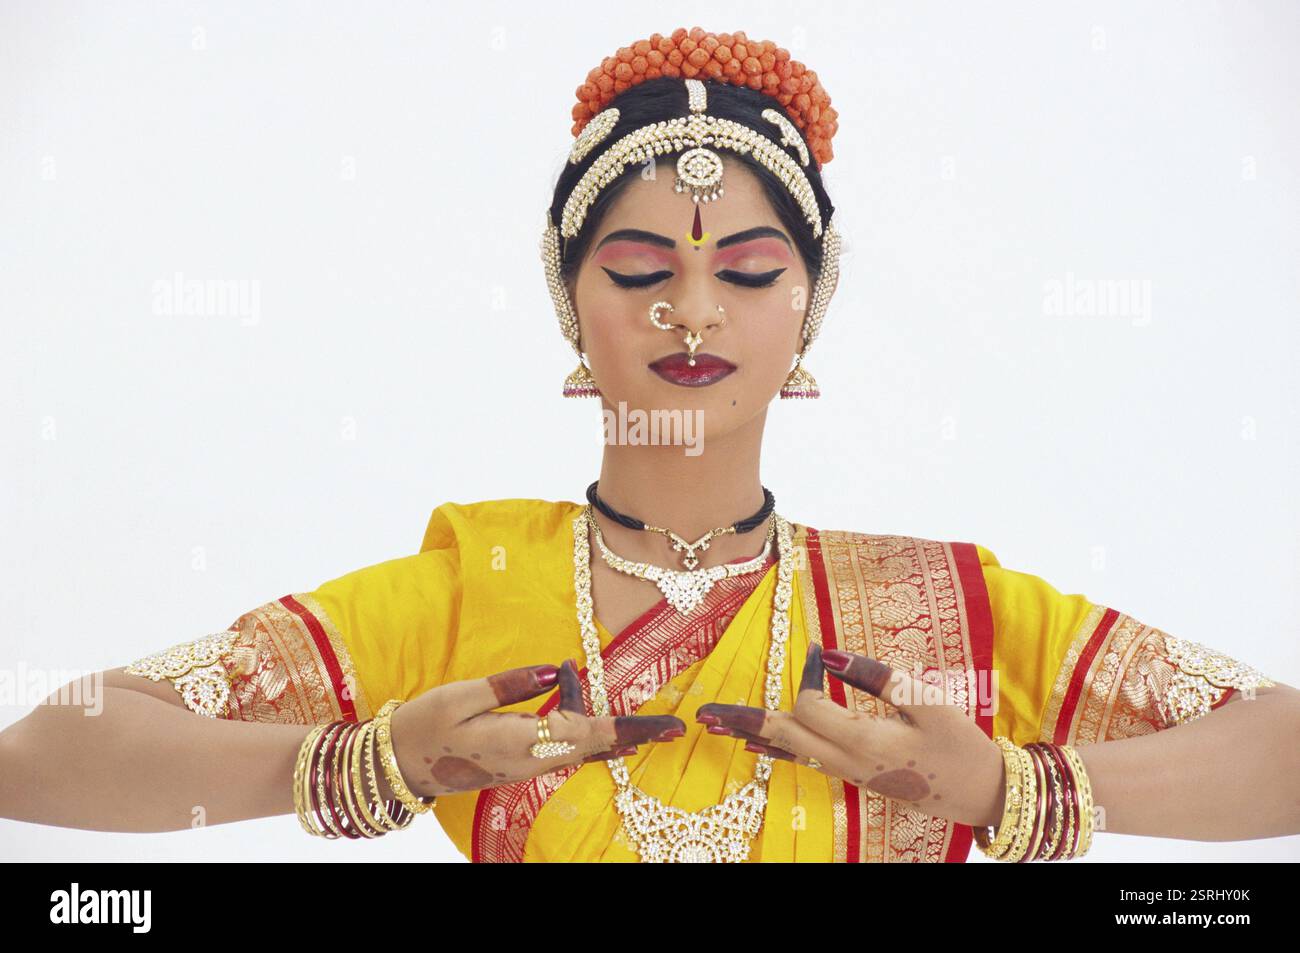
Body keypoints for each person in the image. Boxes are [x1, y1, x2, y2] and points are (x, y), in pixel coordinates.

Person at [2, 26, 1295, 863]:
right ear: (573, 302)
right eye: (637, 269)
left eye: (746, 269)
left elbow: (1279, 744)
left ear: (811, 305)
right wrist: (369, 757)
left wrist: (1017, 788)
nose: (692, 310)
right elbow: (47, 748)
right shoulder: (472, 591)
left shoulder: (928, 614)